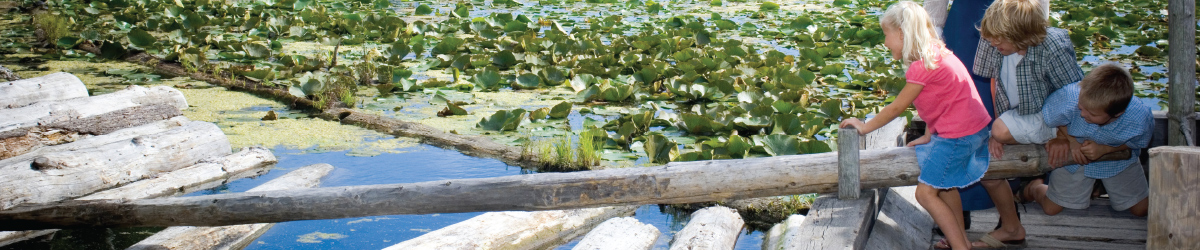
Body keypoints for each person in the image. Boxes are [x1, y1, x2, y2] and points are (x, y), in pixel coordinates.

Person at [840, 2, 991, 249]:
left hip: (958, 137)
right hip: (970, 130)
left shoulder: (921, 67)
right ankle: (961, 240)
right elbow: (945, 100)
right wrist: (930, 133)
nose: (885, 42)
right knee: (946, 185)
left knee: (925, 193)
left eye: (886, 34)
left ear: (902, 33)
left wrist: (864, 126)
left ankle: (961, 247)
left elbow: (896, 108)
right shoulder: (935, 53)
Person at [970, 0, 1083, 247]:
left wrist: (1062, 136)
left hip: (1058, 116)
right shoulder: (993, 38)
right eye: (990, 38)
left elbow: (1074, 95)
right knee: (986, 165)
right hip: (1020, 114)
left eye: (998, 40)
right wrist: (995, 132)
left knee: (1060, 205)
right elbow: (995, 88)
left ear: (1021, 36)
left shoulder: (1053, 46)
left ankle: (1034, 189)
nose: (992, 43)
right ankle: (1012, 226)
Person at [1023, 63, 1153, 218]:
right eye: (1081, 107)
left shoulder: (1139, 118)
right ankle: (1034, 187)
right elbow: (1048, 118)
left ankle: (1097, 186)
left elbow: (1137, 142)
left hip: (1116, 160)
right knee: (1052, 209)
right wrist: (1066, 139)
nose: (1083, 114)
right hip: (1075, 157)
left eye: (1092, 113)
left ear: (1117, 114)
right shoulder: (1070, 97)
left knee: (1141, 210)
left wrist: (1106, 149)